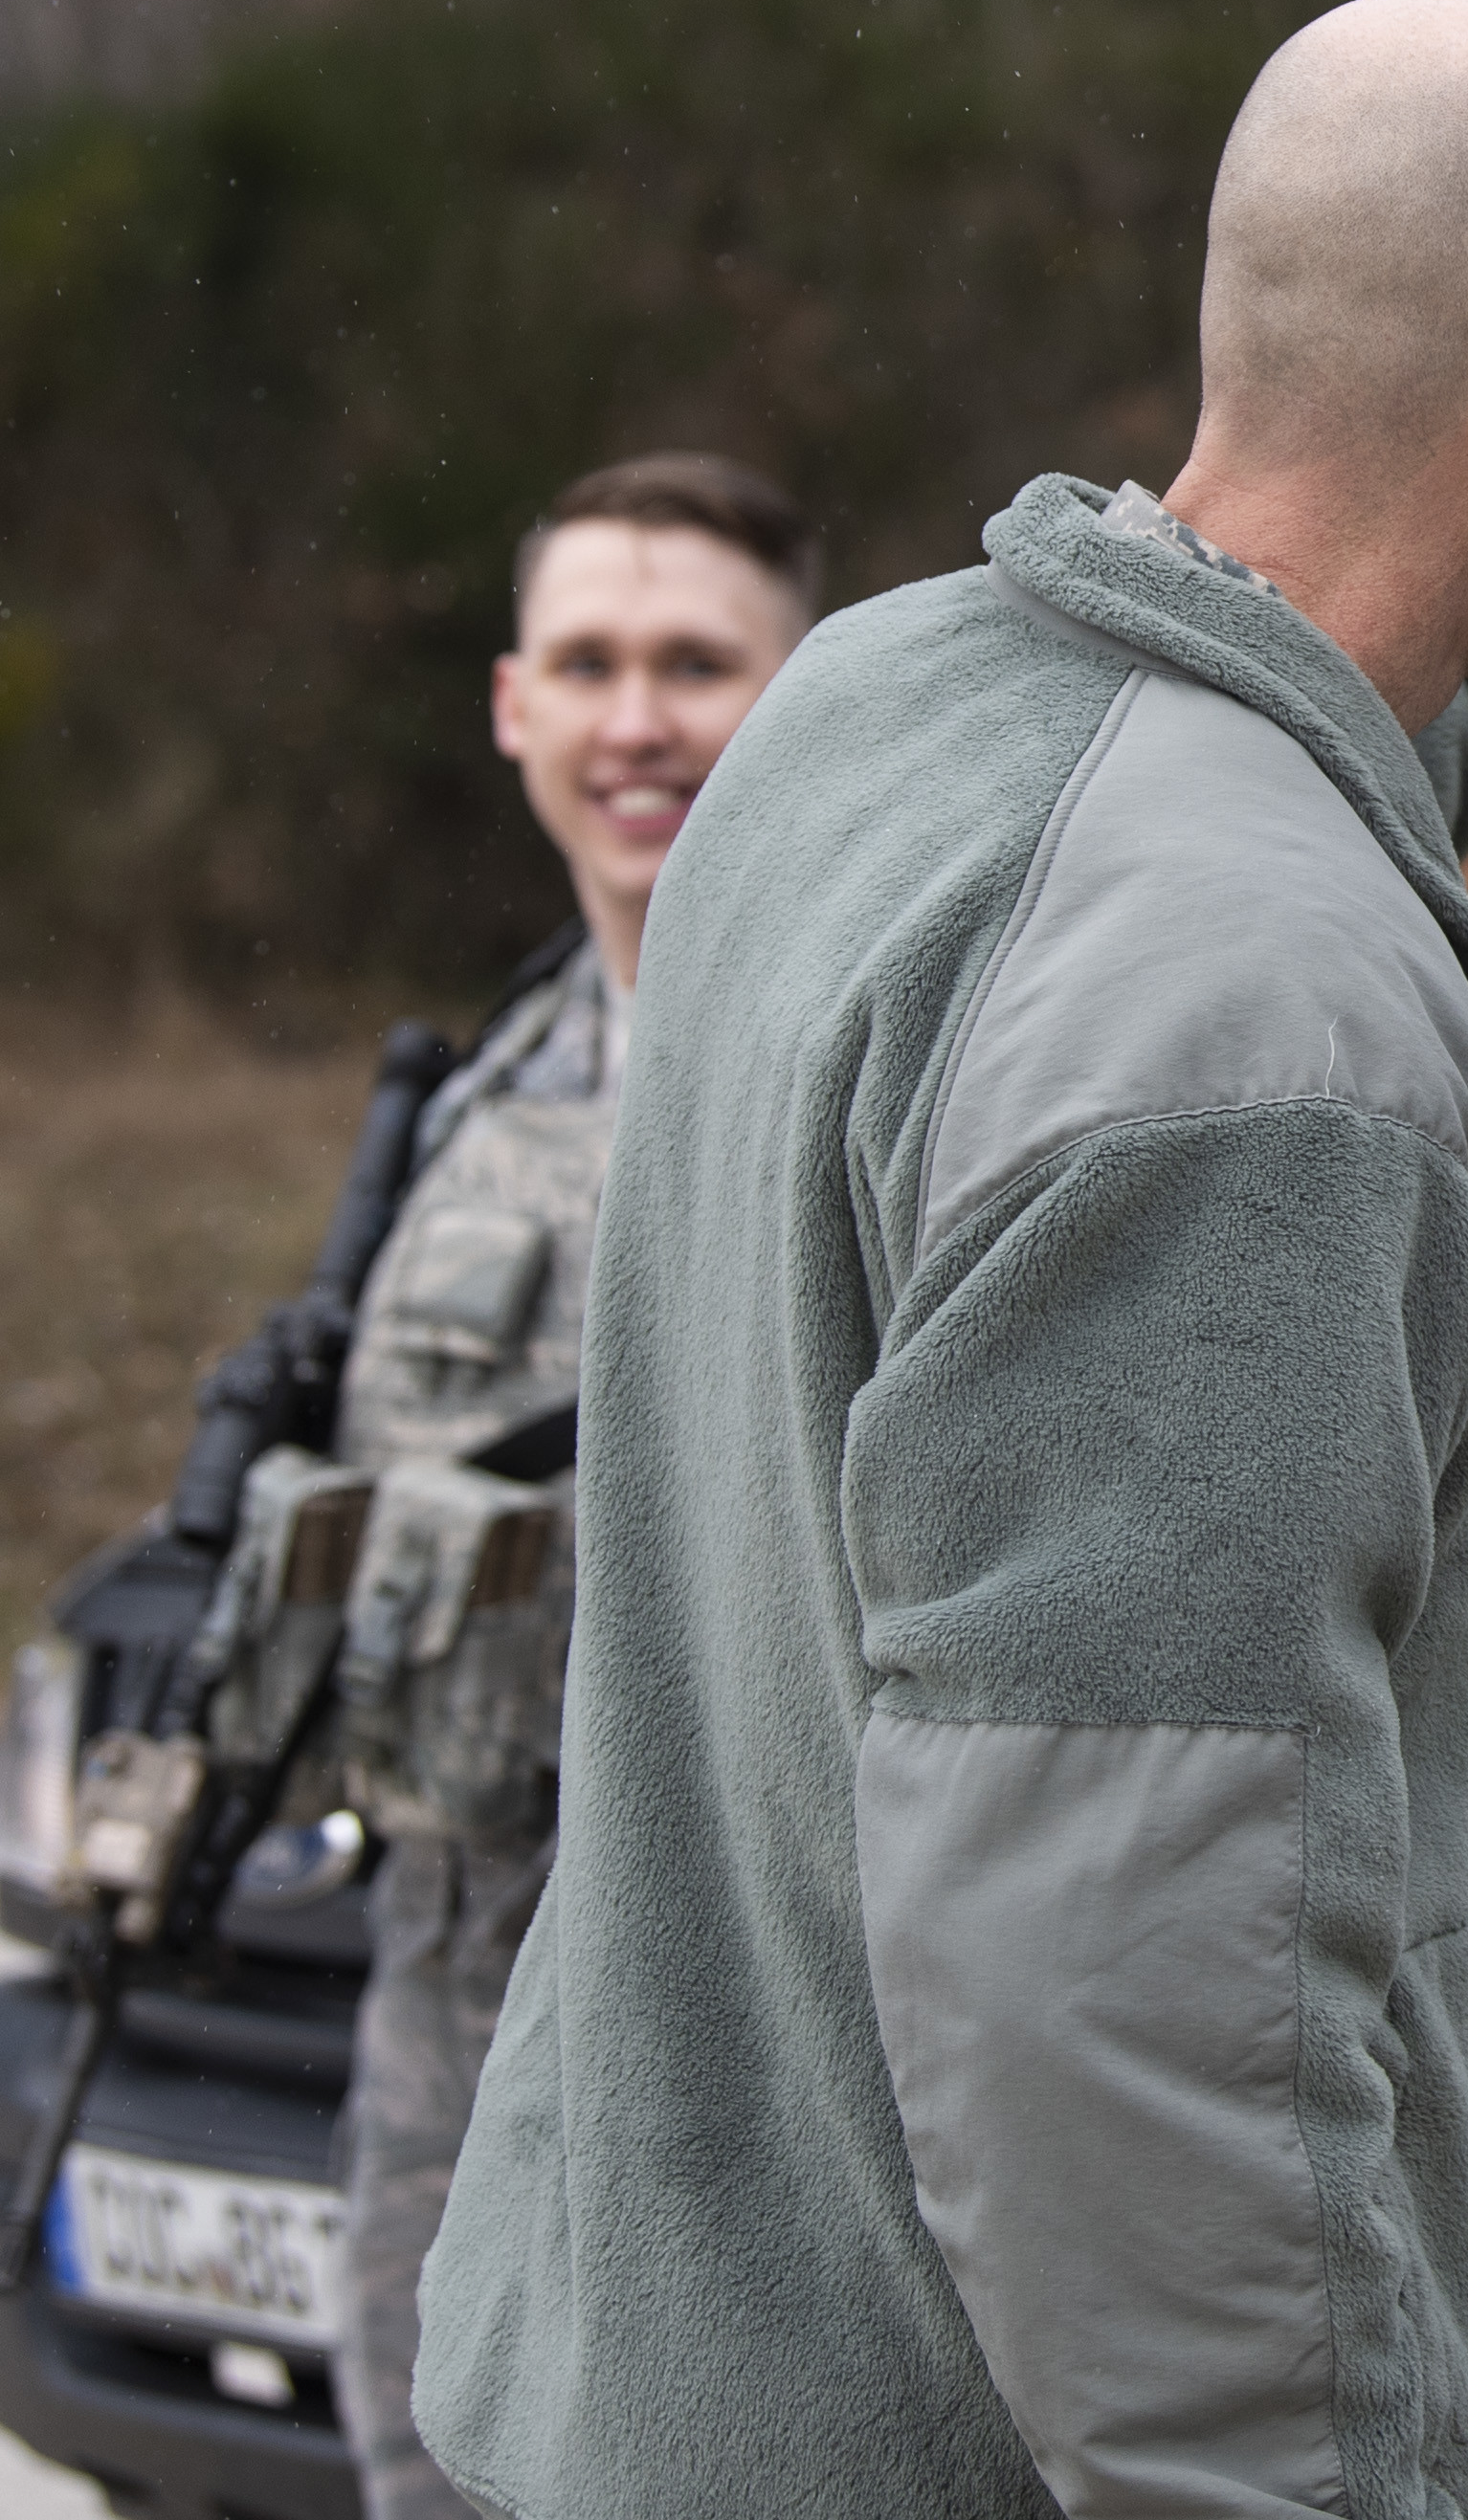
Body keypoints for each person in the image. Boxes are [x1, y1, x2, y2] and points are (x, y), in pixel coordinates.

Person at [411, 0, 1468, 2520]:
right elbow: (1123, 2001)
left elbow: (1264, 751)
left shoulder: (873, 713)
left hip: (646, 2388)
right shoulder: (1267, 1033)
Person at [327, 450, 824, 2520]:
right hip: (444, 1962)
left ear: (806, 689)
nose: (638, 722)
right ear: (512, 700)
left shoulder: (871, 1044)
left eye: (698, 664)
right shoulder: (476, 1087)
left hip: (730, 2003)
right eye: (592, 663)